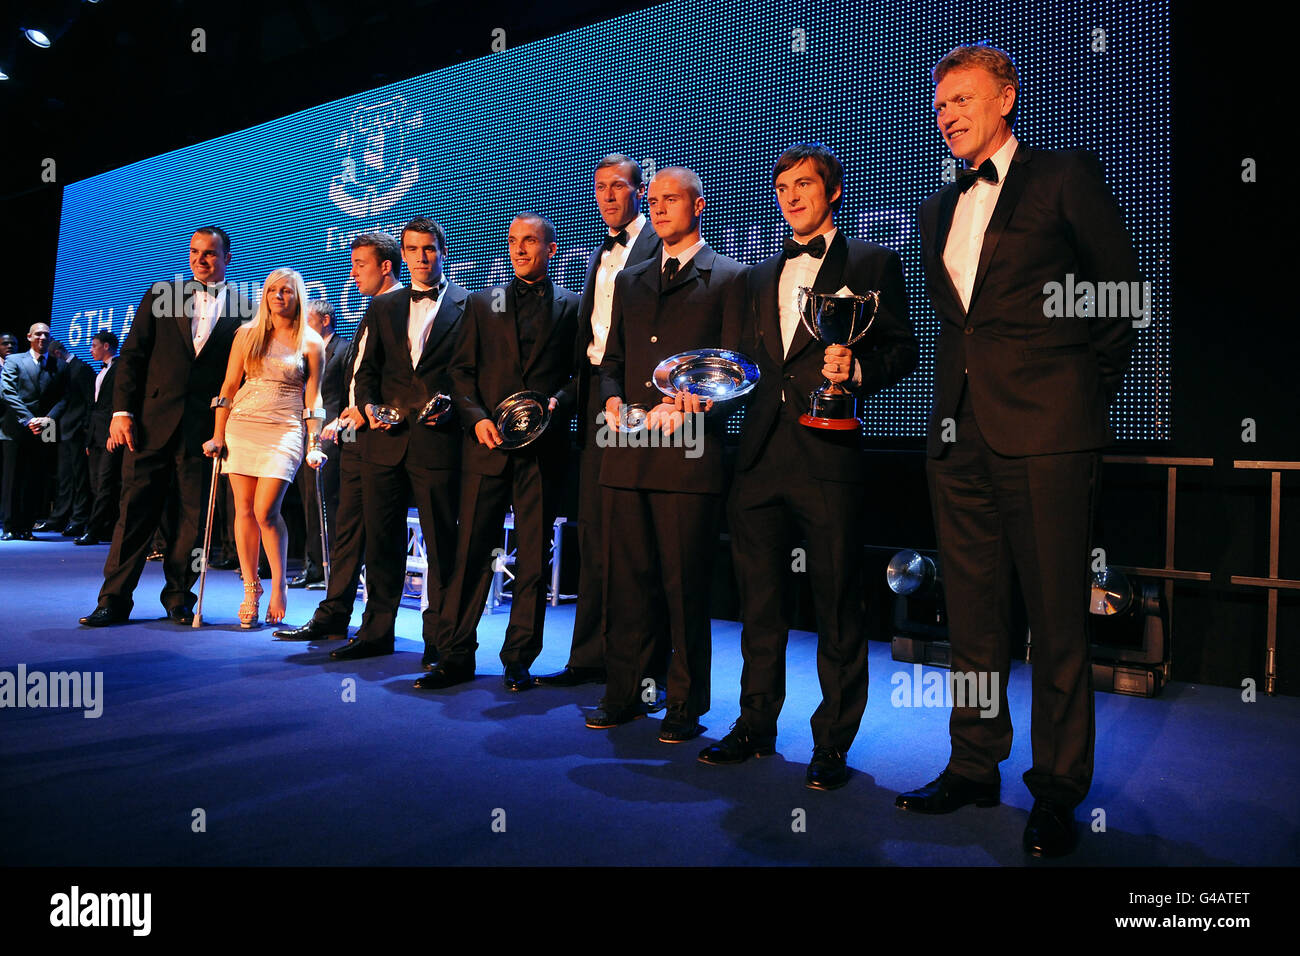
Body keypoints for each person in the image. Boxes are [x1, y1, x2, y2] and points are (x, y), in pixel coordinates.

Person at [894, 45, 1139, 857]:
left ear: (1006, 98)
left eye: (962, 98)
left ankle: (1059, 788)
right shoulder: (935, 208)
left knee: (1058, 620)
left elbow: (1117, 295)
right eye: (938, 106)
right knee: (971, 617)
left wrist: (1079, 397)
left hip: (1049, 437)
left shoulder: (1064, 175)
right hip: (959, 439)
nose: (947, 114)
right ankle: (972, 764)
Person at [698, 143, 918, 789]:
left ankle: (832, 745)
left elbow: (902, 350)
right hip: (760, 458)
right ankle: (754, 725)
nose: (792, 197)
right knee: (759, 604)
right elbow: (742, 364)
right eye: (783, 188)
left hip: (828, 458)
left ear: (834, 192)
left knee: (837, 606)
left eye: (804, 185)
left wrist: (859, 371)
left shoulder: (874, 262)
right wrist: (703, 390)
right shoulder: (757, 276)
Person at [589, 167, 748, 741]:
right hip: (627, 451)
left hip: (687, 456)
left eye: (670, 199)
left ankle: (684, 702)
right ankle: (625, 692)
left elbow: (735, 369)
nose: (657, 208)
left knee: (684, 585)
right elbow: (610, 363)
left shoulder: (728, 277)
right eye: (652, 200)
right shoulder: (630, 281)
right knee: (625, 580)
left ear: (698, 206)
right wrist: (610, 403)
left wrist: (692, 407)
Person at [417, 213, 580, 691]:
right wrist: (479, 419)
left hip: (542, 451)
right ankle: (455, 655)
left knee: (532, 557)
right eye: (513, 241)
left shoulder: (572, 306)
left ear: (551, 250)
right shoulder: (482, 302)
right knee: (471, 552)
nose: (519, 248)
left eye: (530, 241)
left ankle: (519, 660)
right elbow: (460, 374)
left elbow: (579, 376)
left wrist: (559, 403)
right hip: (487, 448)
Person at [535, 154, 669, 690]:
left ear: (641, 190)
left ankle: (642, 670)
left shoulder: (659, 243)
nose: (608, 196)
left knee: (638, 534)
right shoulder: (599, 252)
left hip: (642, 399)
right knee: (594, 529)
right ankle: (589, 657)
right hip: (596, 396)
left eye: (619, 186)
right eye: (600, 188)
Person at [79, 227, 253, 627]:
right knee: (134, 516)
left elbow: (244, 374)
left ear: (227, 257)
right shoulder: (162, 294)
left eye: (210, 253)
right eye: (194, 252)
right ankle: (113, 601)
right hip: (150, 427)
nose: (200, 259)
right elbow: (132, 357)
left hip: (203, 432)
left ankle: (179, 598)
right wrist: (121, 413)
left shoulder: (245, 309)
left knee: (191, 524)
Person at [330, 218, 469, 662]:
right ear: (403, 256)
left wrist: (454, 406)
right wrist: (369, 408)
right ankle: (375, 633)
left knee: (441, 548)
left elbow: (471, 375)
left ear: (442, 251)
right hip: (384, 444)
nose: (422, 257)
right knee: (381, 543)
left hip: (438, 443)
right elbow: (367, 373)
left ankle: (440, 641)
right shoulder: (383, 308)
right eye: (413, 249)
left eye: (429, 249)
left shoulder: (470, 305)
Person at [274, 231, 403, 642]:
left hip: (388, 439)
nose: (352, 273)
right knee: (346, 532)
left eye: (359, 265)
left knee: (381, 539)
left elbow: (404, 376)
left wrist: (369, 411)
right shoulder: (373, 309)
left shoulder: (403, 307)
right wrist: (347, 413)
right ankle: (333, 614)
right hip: (353, 440)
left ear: (385, 266)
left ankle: (377, 629)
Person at [205, 269, 326, 626]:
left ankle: (279, 586)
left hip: (285, 428)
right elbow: (227, 388)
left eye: (286, 290)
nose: (278, 296)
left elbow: (314, 397)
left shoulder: (311, 341)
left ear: (297, 296)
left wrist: (314, 442)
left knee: (265, 510)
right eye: (272, 290)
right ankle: (250, 587)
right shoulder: (246, 335)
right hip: (242, 423)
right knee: (243, 509)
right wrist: (218, 434)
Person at [290, 299, 347, 589]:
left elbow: (351, 391)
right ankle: (312, 567)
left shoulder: (344, 349)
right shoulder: (302, 353)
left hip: (331, 437)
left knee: (329, 502)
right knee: (310, 502)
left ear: (325, 320)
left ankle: (334, 569)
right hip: (303, 435)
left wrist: (339, 422)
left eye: (308, 319)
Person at [1, 323, 65, 540]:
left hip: (43, 429)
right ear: (29, 336)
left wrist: (48, 419)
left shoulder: (59, 365)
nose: (42, 337)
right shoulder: (14, 360)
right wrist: (29, 419)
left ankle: (27, 527)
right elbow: (7, 392)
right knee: (12, 480)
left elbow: (63, 398)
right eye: (38, 334)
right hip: (16, 428)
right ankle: (10, 527)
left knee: (35, 479)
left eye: (46, 334)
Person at [46, 341, 95, 537]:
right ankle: (59, 518)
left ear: (57, 354)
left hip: (77, 431)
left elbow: (90, 401)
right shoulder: (66, 371)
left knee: (80, 478)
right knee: (65, 477)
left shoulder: (81, 369)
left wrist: (85, 428)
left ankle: (78, 519)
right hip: (65, 430)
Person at [78, 331, 122, 546]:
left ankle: (93, 531)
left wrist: (114, 433)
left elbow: (119, 403)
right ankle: (106, 528)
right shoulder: (100, 372)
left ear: (106, 346)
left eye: (94, 345)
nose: (90, 349)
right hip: (95, 436)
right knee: (96, 484)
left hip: (110, 435)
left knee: (106, 483)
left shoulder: (120, 368)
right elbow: (94, 407)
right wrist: (89, 440)